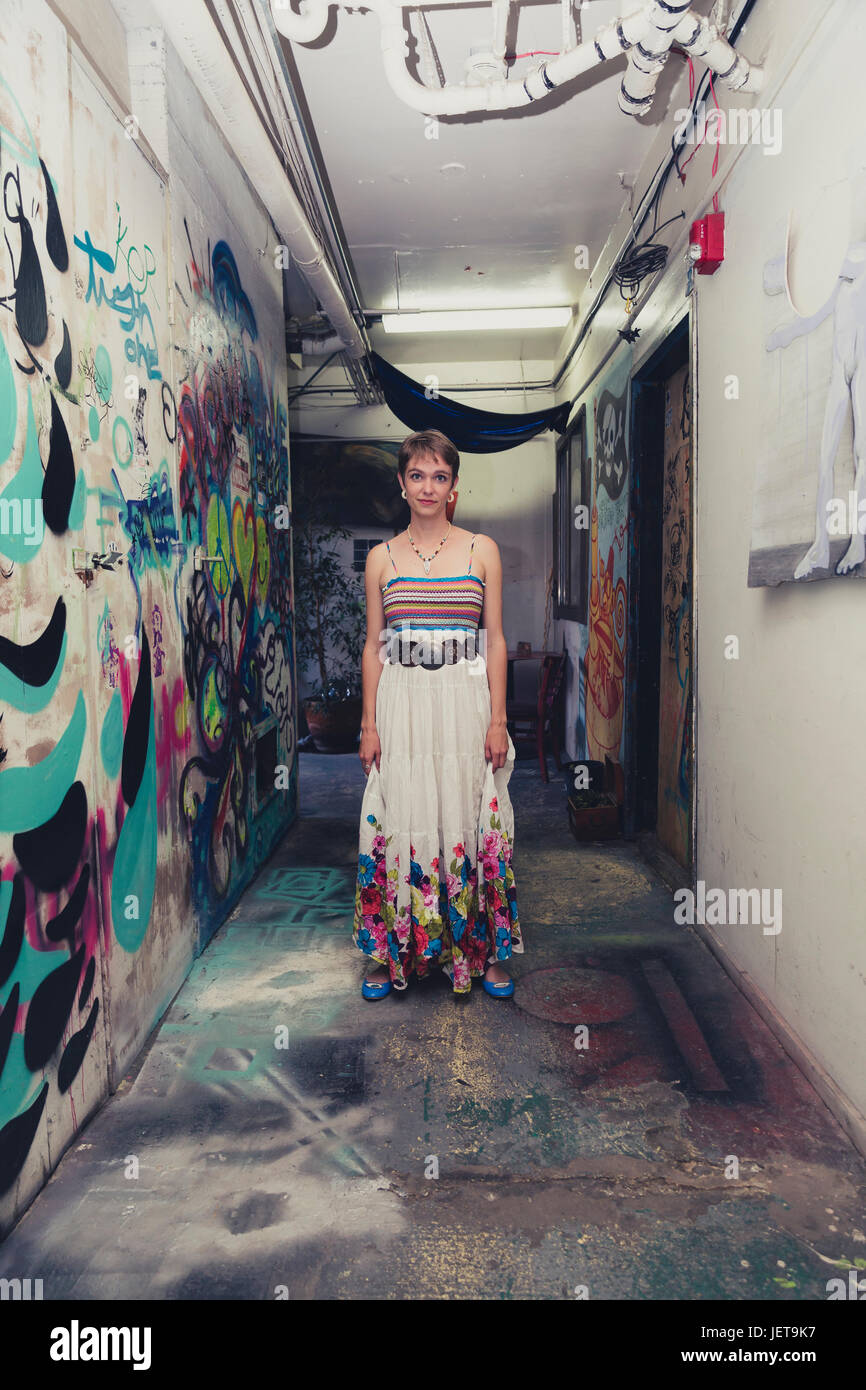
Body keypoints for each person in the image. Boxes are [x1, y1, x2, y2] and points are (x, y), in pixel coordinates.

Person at [351, 428, 523, 999]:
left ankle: (484, 954)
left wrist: (499, 719)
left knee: (473, 814)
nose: (429, 486)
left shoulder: (481, 550)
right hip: (402, 704)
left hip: (465, 703)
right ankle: (392, 953)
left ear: (453, 487)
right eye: (418, 475)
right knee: (399, 812)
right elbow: (374, 645)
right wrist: (368, 724)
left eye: (440, 477)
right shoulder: (381, 558)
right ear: (402, 484)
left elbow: (495, 638)